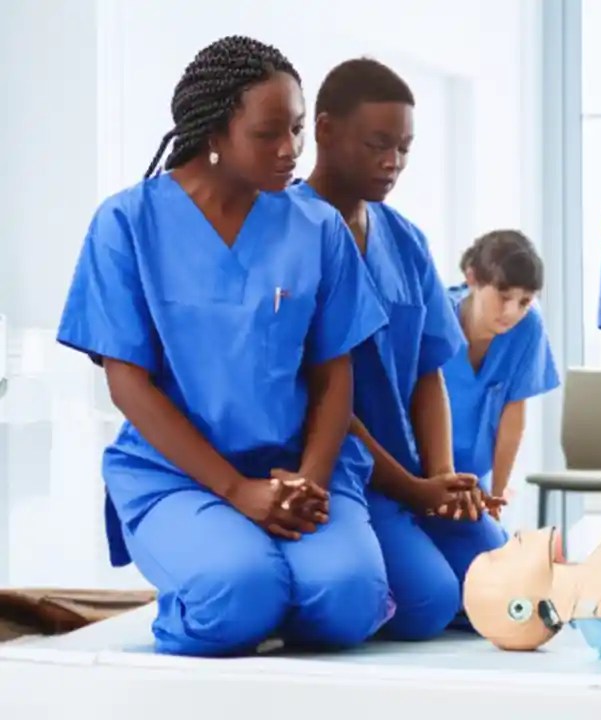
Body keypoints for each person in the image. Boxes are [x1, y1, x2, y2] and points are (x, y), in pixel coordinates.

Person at [55, 36, 392, 657]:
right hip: (178, 475)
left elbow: (333, 372)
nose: (290, 150)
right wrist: (238, 493)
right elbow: (128, 383)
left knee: (349, 600)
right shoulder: (127, 224)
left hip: (298, 467)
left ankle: (271, 591)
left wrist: (308, 484)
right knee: (235, 594)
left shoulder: (316, 226)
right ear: (213, 132)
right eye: (269, 133)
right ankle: (228, 587)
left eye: (296, 128)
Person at [294, 58, 498, 641]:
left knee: (499, 575)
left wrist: (442, 477)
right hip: (341, 469)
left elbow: (428, 372)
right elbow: (316, 394)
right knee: (429, 601)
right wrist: (412, 490)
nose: (393, 163)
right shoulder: (287, 231)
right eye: (378, 144)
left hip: (410, 471)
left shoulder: (405, 238)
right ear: (326, 130)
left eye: (405, 148)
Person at [441, 230, 560, 513]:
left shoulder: (528, 326)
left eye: (524, 301)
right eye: (503, 296)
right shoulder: (437, 319)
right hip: (420, 474)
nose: (511, 312)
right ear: (472, 279)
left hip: (474, 481)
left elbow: (513, 417)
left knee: (492, 545)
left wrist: (495, 496)